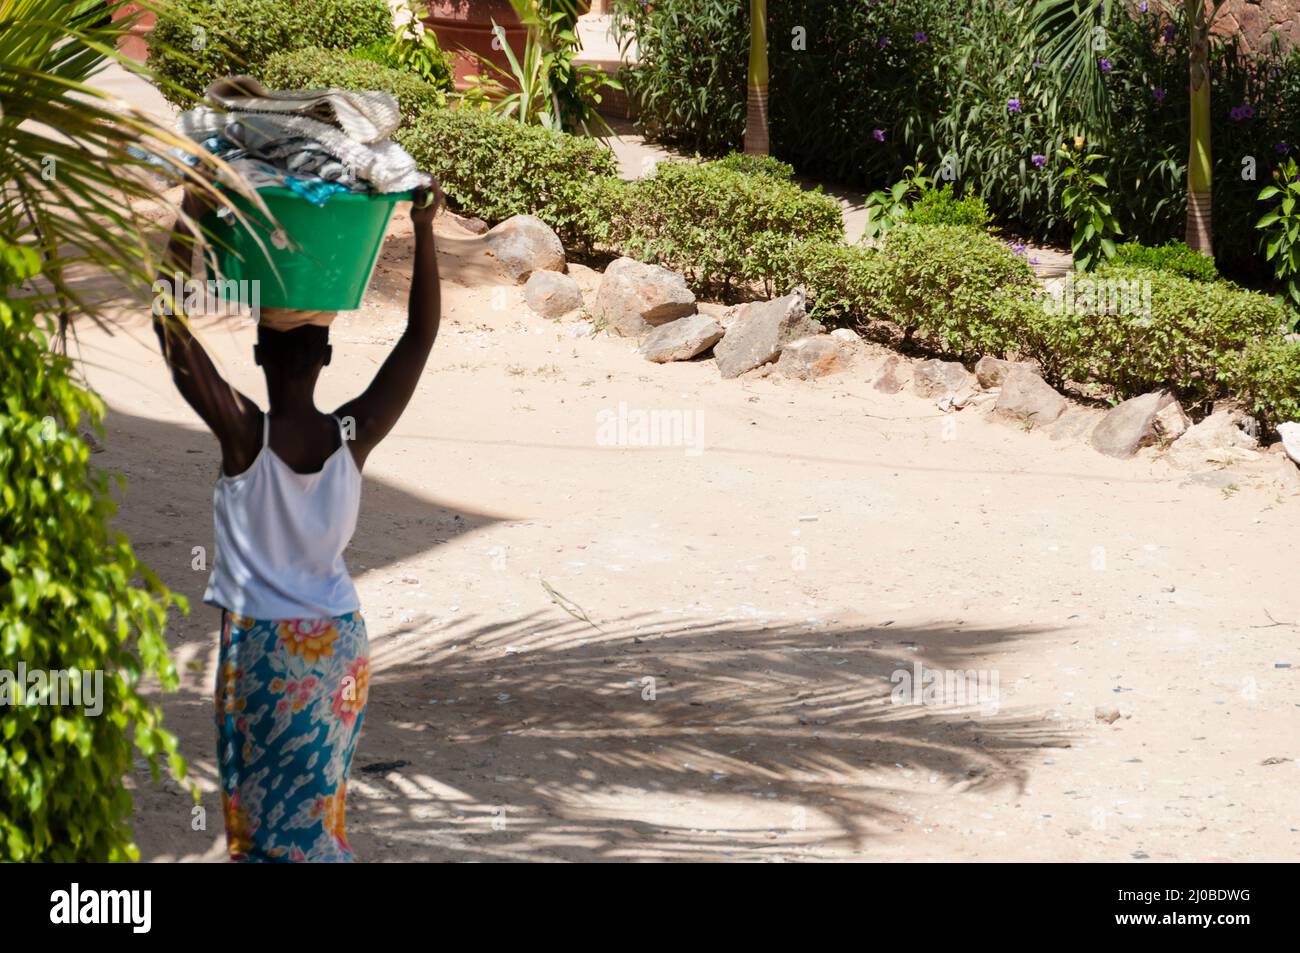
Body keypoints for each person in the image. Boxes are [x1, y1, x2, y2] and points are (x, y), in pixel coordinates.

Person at [152, 181, 442, 861]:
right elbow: (420, 336)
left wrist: (190, 215)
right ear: (327, 357)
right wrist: (424, 228)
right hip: (340, 644)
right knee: (318, 817)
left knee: (259, 829)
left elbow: (170, 330)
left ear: (258, 356)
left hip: (263, 651)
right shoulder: (353, 434)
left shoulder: (243, 435)